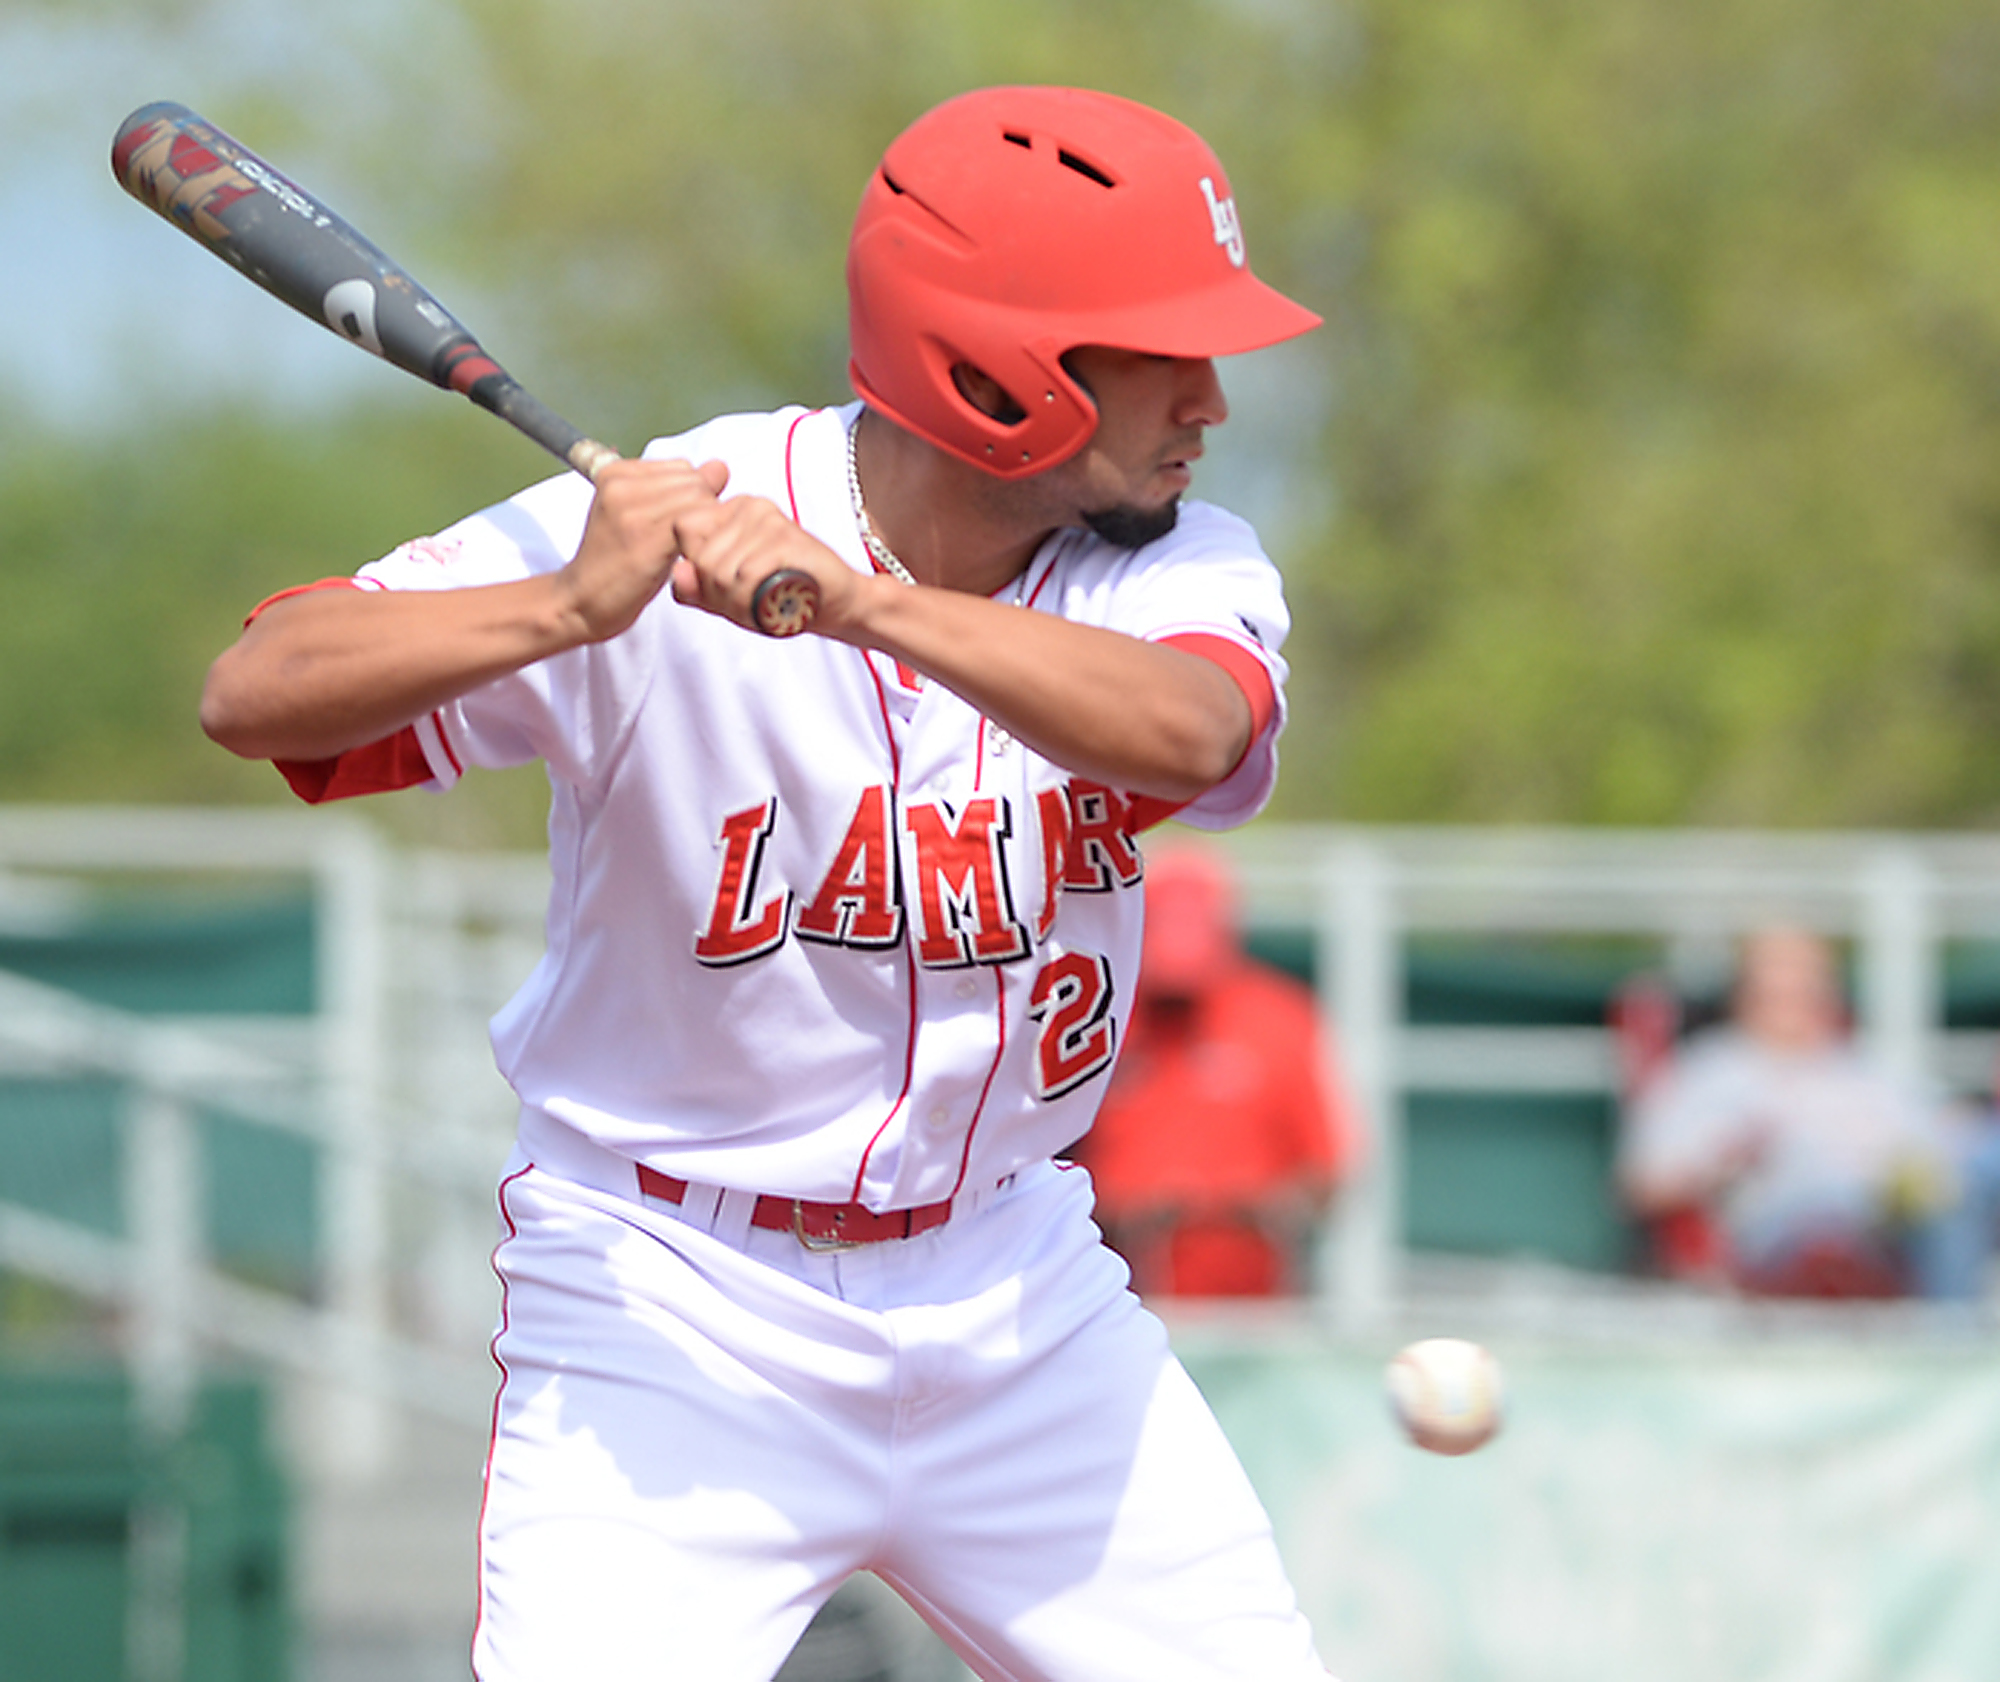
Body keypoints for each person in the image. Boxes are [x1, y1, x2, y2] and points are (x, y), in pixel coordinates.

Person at [200, 87, 1334, 1681]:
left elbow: (1190, 728)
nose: (1211, 397)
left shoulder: (1168, 561)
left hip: (1015, 1290)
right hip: (675, 1306)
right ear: (1001, 365)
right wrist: (568, 608)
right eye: (1161, 348)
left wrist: (861, 605)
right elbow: (260, 689)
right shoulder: (665, 520)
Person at [1616, 925, 1975, 1300]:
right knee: (1831, 1209)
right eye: (1776, 995)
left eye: (1805, 992)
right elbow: (1640, 1184)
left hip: (1893, 1221)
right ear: (1744, 997)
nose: (1793, 1007)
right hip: (1780, 1222)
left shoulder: (1866, 1073)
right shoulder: (1711, 1071)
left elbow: (1940, 1142)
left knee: (1968, 1181)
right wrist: (1728, 1157)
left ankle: (1955, 1340)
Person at [1071, 840, 1360, 1298]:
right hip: (1112, 1290)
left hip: (1250, 1299)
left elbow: (1328, 1172)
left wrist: (1238, 1214)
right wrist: (1127, 1214)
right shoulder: (1098, 1017)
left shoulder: (1279, 1018)